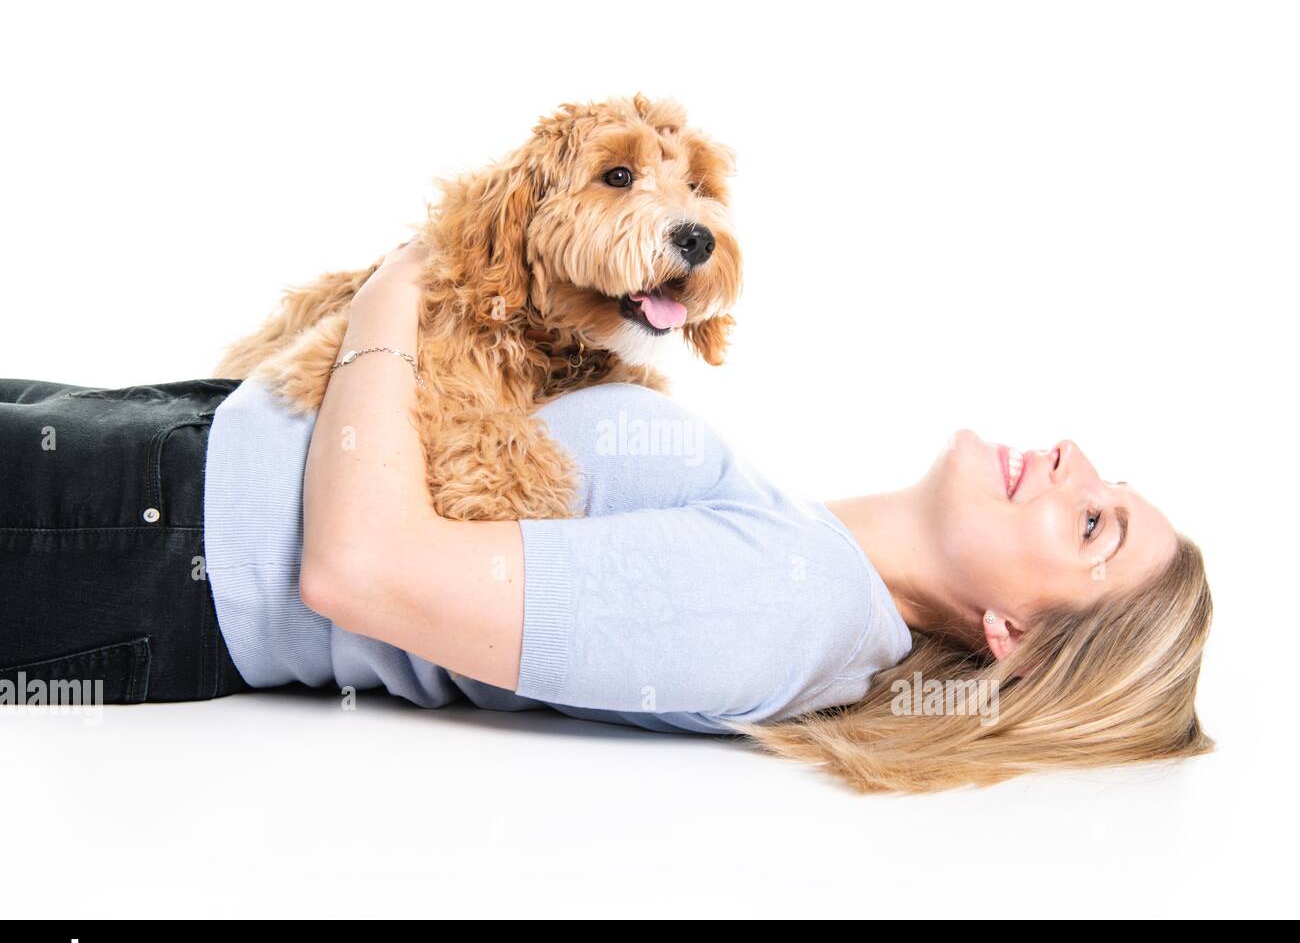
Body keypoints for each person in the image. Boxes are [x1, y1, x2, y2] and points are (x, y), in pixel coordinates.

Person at [0, 241, 1214, 794]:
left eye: (1093, 523)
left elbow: (362, 571)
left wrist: (391, 301)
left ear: (1014, 634)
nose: (1070, 459)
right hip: (153, 476)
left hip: (140, 545)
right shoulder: (804, 566)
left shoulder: (777, 610)